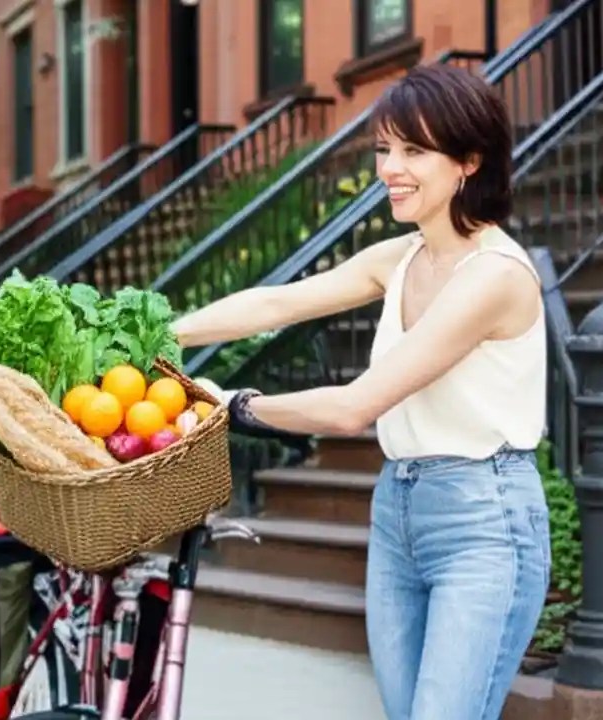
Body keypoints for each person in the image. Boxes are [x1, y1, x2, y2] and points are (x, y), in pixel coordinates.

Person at [171, 64, 550, 720]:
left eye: (413, 151)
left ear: (468, 161)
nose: (389, 169)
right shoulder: (400, 259)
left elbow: (356, 405)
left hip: (484, 518)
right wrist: (157, 331)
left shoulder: (496, 276)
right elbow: (274, 304)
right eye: (384, 149)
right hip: (399, 508)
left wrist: (230, 406)